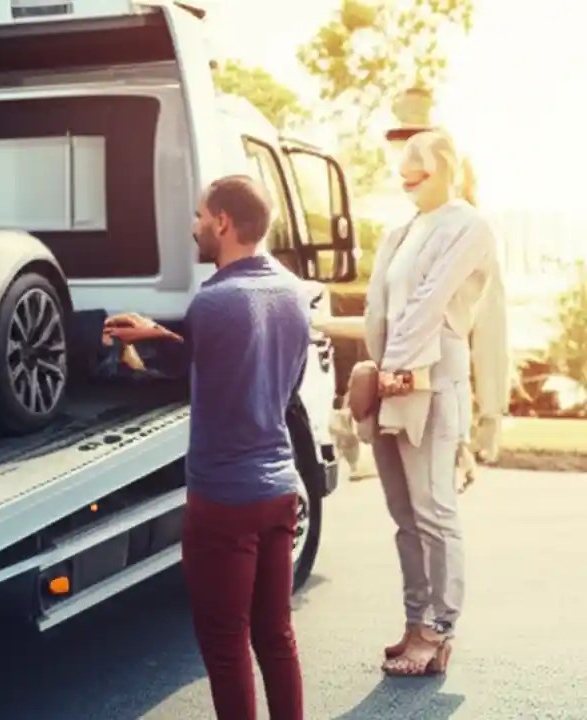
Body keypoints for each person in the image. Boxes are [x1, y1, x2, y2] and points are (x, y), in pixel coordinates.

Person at [98, 174, 311, 720]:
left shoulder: (214, 301)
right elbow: (267, 377)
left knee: (224, 641)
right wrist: (158, 332)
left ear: (222, 222)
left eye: (199, 216)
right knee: (275, 632)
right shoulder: (291, 292)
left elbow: (182, 372)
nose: (194, 226)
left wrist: (138, 346)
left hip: (223, 501)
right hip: (280, 489)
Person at [360, 129, 502, 676]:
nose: (404, 174)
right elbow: (385, 309)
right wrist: (379, 371)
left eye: (416, 165)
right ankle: (415, 619)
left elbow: (429, 301)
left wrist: (394, 366)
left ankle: (440, 630)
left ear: (444, 165)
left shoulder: (469, 225)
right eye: (402, 168)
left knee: (434, 509)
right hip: (393, 382)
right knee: (403, 514)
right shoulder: (402, 231)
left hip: (433, 384)